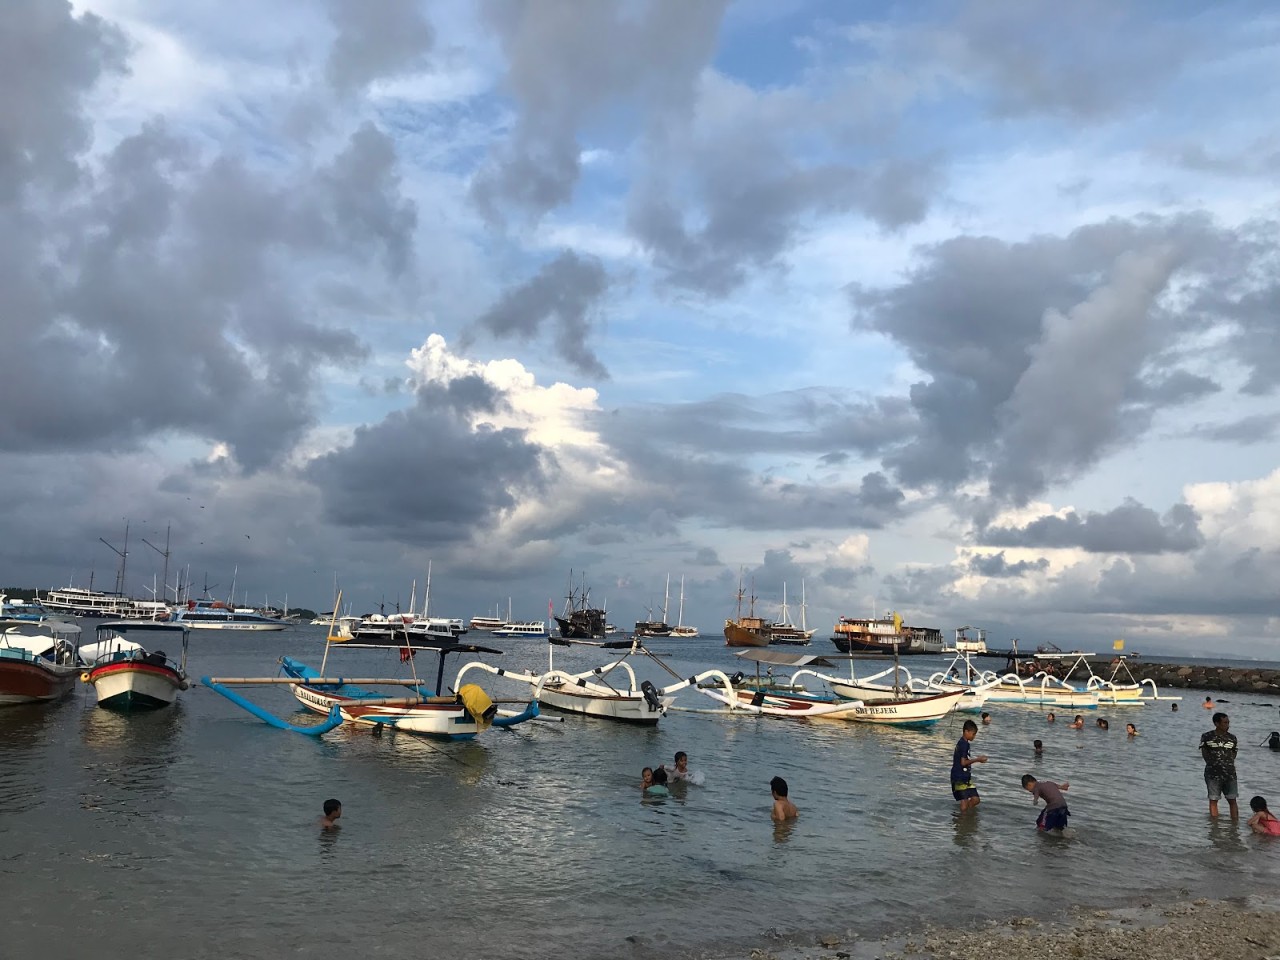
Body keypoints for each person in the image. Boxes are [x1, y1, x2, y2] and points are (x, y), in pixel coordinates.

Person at [1200, 712, 1239, 819]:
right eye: (1225, 723)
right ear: (1217, 723)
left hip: (1229, 774)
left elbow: (1234, 753)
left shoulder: (1232, 738)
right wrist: (1213, 764)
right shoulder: (1207, 736)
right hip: (1213, 774)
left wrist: (1226, 763)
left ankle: (1235, 824)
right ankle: (1214, 827)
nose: (1227, 725)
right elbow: (1204, 753)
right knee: (1213, 800)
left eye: (1228, 722)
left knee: (1232, 799)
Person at [950, 719, 987, 813]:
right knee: (964, 801)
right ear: (966, 731)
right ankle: (962, 819)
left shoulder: (964, 743)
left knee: (976, 799)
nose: (974, 736)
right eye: (973, 734)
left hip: (965, 776)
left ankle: (966, 816)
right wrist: (978, 759)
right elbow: (963, 763)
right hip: (958, 776)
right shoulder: (963, 744)